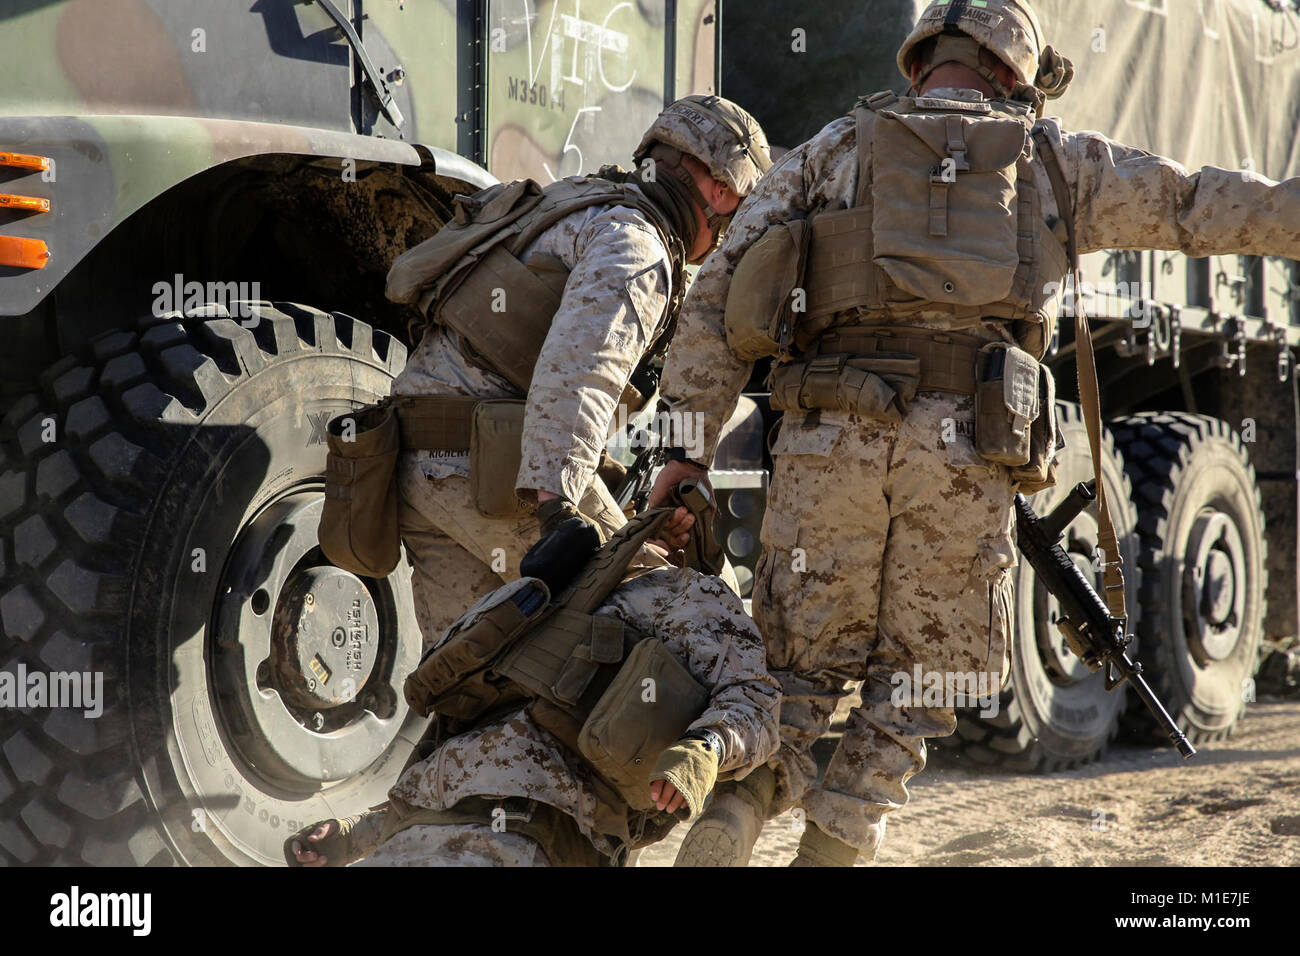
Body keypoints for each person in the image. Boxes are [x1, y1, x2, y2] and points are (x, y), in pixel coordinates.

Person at [654, 0, 1300, 866]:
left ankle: (735, 812)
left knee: (798, 673)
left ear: (920, 63)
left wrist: (684, 453)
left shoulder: (829, 151)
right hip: (960, 455)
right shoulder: (1058, 160)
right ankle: (829, 853)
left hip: (826, 445)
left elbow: (714, 307)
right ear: (1016, 78)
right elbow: (1194, 206)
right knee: (917, 687)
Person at [386, 95, 771, 647]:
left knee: (471, 677)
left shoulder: (568, 205)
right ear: (721, 189)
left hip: (417, 465)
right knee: (693, 638)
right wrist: (560, 514)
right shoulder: (638, 247)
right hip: (498, 477)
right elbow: (579, 374)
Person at [286, 507, 780, 866]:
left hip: (538, 833)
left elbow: (755, 703)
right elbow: (473, 743)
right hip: (424, 822)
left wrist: (706, 748)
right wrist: (353, 836)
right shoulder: (556, 590)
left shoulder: (697, 598)